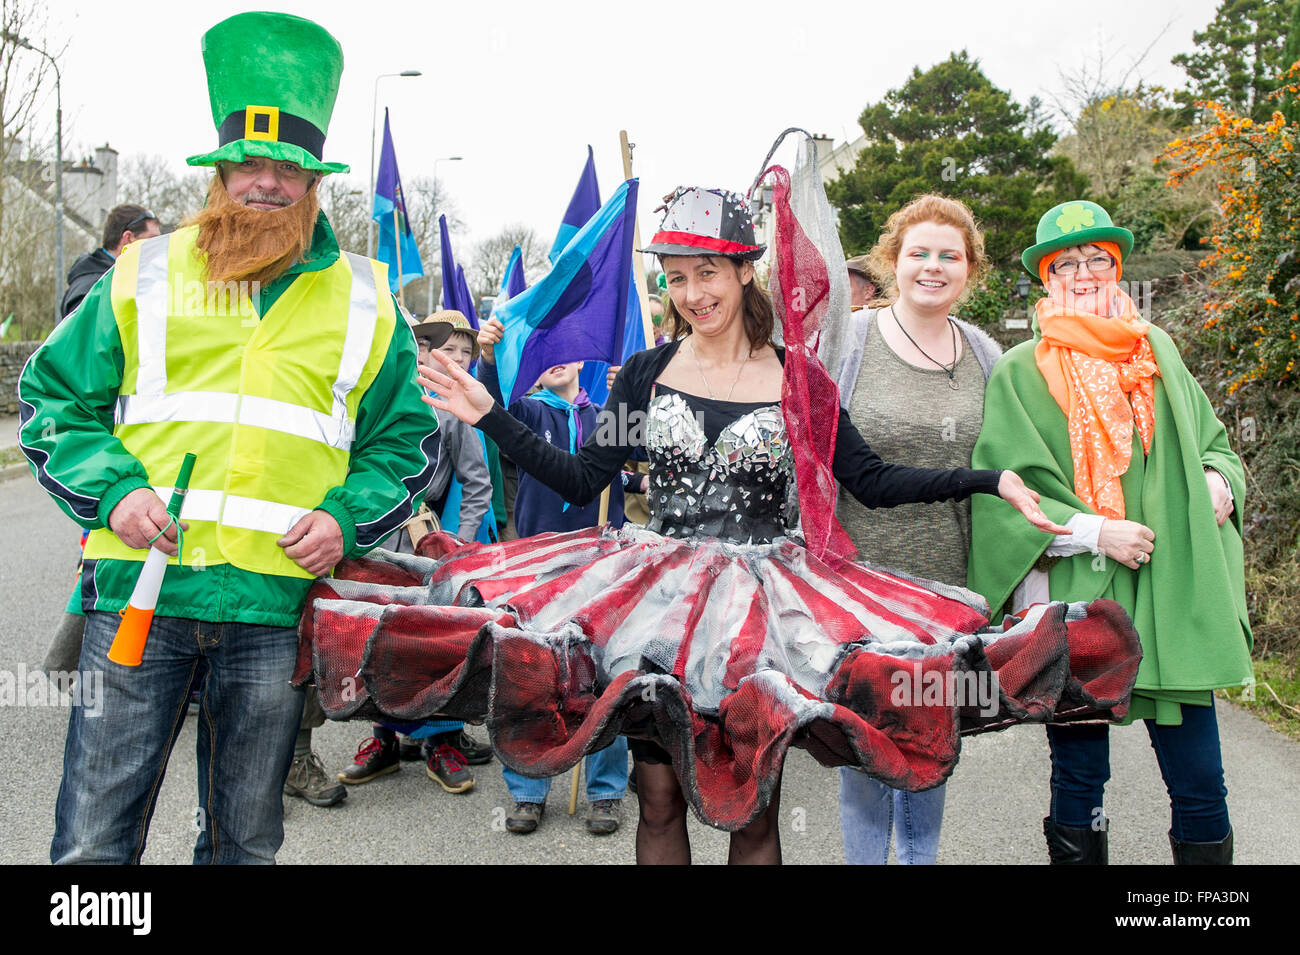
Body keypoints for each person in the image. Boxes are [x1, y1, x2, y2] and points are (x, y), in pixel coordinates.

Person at [305, 185, 1139, 866]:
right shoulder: (644, 372)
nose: (693, 292)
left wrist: (991, 478)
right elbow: (583, 476)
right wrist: (492, 414)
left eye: (709, 272)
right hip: (655, 605)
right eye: (675, 274)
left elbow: (872, 481)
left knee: (753, 804)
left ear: (744, 272)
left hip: (765, 616)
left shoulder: (799, 380)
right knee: (659, 793)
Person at [18, 12, 440, 864]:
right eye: (248, 164)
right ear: (218, 173)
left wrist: (347, 518)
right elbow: (51, 400)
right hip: (140, 597)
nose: (266, 185)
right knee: (93, 840)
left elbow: (406, 441)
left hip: (273, 608)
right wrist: (116, 490)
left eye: (288, 168)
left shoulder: (366, 298)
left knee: (245, 842)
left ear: (314, 182)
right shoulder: (142, 273)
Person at [968, 200, 1252, 865]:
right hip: (1079, 601)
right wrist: (1098, 532)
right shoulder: (1020, 372)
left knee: (1200, 779)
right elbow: (1009, 503)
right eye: (1066, 263)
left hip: (1168, 589)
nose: (1084, 272)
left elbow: (1216, 446)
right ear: (1046, 279)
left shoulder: (1157, 352)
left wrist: (1219, 482)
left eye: (1098, 258)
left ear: (1116, 266)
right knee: (1081, 777)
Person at [830, 195, 1002, 865]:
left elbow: (1015, 465)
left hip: (947, 593)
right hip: (858, 589)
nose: (933, 266)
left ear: (969, 270)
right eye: (918, 253)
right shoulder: (849, 341)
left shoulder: (988, 356)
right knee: (865, 754)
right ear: (892, 262)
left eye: (949, 256)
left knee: (931, 750)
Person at [477, 316, 630, 835]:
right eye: (544, 349)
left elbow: (645, 448)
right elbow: (490, 407)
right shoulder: (525, 412)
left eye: (567, 346)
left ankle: (605, 790)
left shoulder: (606, 415)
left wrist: (632, 396)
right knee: (533, 674)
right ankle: (526, 785)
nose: (557, 356)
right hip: (542, 563)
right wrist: (492, 359)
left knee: (604, 676)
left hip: (604, 562)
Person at [336, 310, 494, 795]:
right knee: (377, 639)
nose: (454, 358)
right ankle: (382, 739)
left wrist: (457, 545)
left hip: (428, 544)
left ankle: (442, 742)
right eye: (443, 348)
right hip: (376, 540)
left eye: (463, 352)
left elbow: (476, 483)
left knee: (436, 643)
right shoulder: (378, 402)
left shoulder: (452, 407)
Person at [60, 204, 161, 320]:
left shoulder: (114, 279)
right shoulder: (91, 290)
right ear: (128, 238)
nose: (158, 248)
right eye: (153, 240)